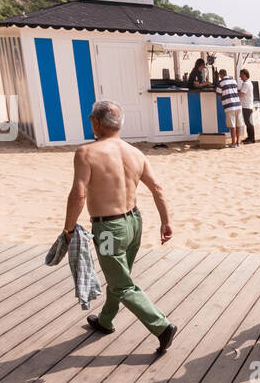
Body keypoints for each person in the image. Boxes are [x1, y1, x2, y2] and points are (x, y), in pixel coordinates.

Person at [63, 100, 177, 354]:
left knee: (122, 283)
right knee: (120, 276)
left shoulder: (86, 153)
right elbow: (157, 188)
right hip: (134, 222)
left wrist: (68, 229)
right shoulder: (136, 153)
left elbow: (78, 195)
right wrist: (165, 221)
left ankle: (162, 326)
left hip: (108, 229)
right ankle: (105, 320)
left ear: (95, 122)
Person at [217, 68, 244, 146]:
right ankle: (238, 142)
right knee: (238, 124)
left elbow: (219, 94)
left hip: (229, 105)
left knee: (232, 126)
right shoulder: (234, 80)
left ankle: (233, 143)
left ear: (220, 75)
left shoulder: (221, 82)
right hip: (238, 105)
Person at [238, 68, 257, 144]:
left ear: (244, 75)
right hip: (247, 105)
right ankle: (250, 137)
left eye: (241, 75)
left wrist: (234, 94)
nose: (240, 76)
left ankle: (251, 139)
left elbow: (242, 94)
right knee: (248, 122)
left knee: (248, 123)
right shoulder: (248, 83)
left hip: (246, 105)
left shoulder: (246, 84)